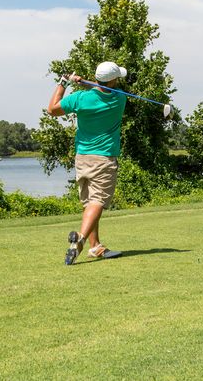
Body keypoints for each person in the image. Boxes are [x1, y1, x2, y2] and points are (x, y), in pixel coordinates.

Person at [47, 61, 128, 265]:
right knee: (97, 202)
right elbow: (104, 90)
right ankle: (80, 241)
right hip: (104, 157)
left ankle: (96, 246)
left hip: (82, 157)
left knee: (89, 203)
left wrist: (64, 82)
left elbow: (52, 109)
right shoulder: (120, 99)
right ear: (113, 80)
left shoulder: (81, 99)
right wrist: (87, 83)